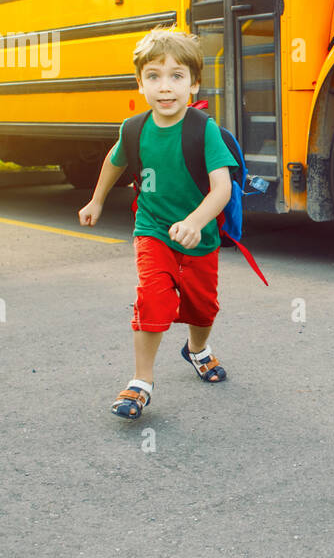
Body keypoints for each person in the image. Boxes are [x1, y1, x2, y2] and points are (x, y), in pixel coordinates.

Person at [78, 26, 236, 419]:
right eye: (153, 76)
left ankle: (197, 349)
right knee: (153, 297)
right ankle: (140, 383)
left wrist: (197, 222)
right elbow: (114, 163)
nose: (165, 88)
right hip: (152, 231)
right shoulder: (134, 129)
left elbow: (222, 189)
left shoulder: (204, 130)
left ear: (194, 84)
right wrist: (96, 200)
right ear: (140, 83)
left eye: (176, 76)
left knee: (202, 309)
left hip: (199, 239)